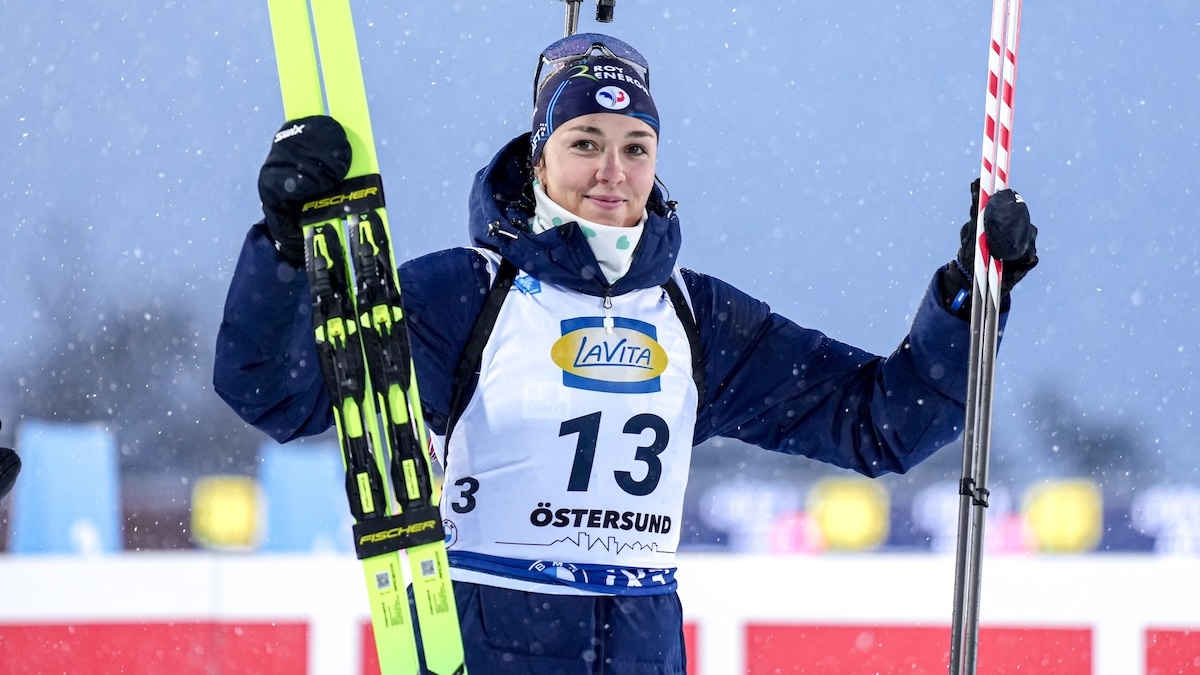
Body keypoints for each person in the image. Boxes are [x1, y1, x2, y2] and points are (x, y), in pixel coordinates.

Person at [214, 33, 1037, 674]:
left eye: (636, 145)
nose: (613, 171)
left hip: (646, 643)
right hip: (493, 637)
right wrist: (288, 246)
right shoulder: (464, 294)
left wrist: (971, 294)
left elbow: (881, 421)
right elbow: (275, 392)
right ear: (538, 156)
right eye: (585, 142)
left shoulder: (695, 315)